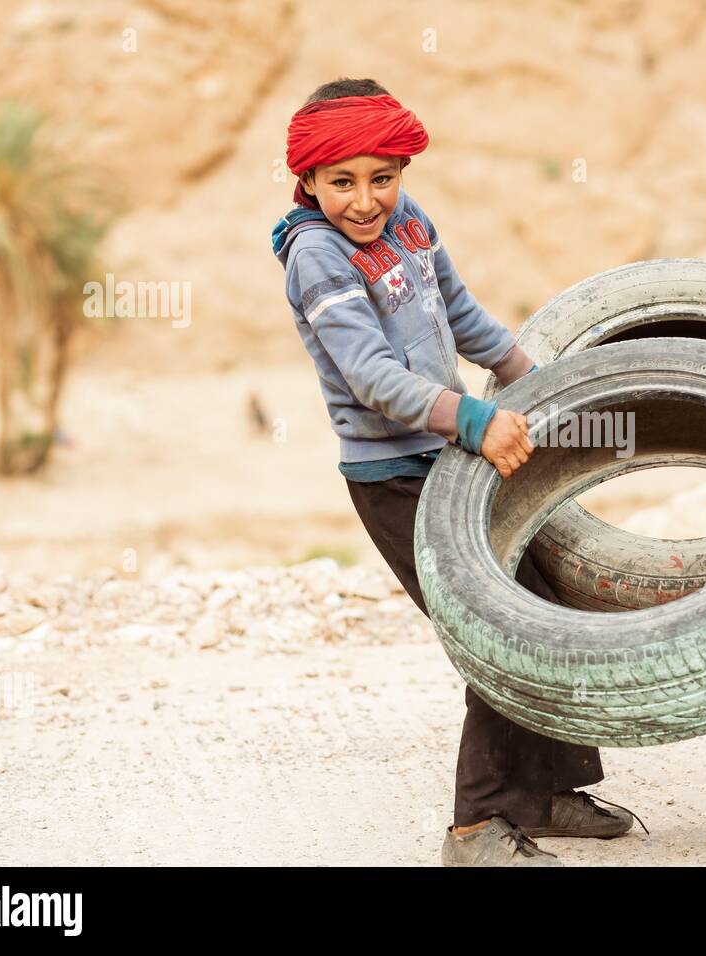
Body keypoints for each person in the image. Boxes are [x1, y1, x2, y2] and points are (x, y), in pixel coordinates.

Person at [272, 78, 638, 866]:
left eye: (382, 177)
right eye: (342, 182)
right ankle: (475, 828)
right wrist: (472, 418)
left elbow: (461, 313)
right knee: (496, 634)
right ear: (305, 180)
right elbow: (370, 377)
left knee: (540, 608)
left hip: (447, 457)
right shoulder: (318, 257)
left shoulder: (409, 225)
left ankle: (545, 798)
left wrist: (531, 379)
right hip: (393, 475)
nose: (365, 200)